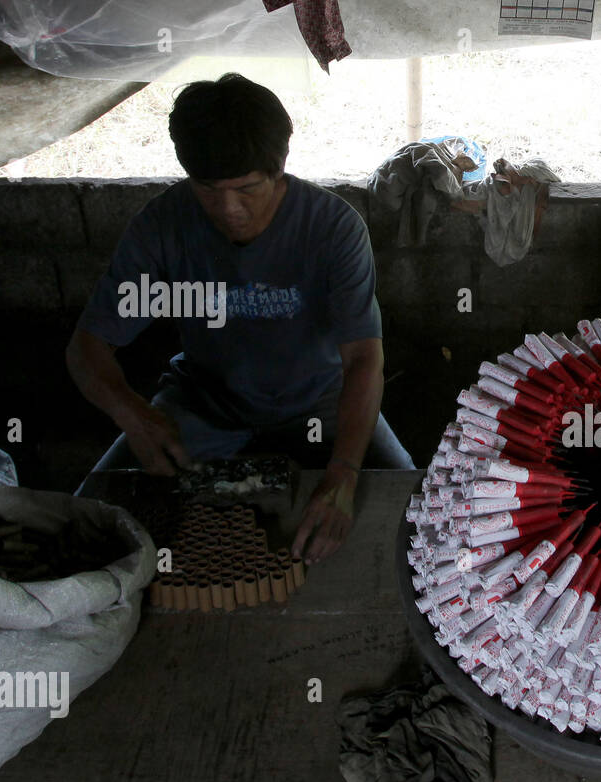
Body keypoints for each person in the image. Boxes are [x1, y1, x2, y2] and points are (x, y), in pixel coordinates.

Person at [66, 73, 415, 565]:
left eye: (247, 188)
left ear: (279, 170)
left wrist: (343, 472)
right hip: (203, 403)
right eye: (208, 190)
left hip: (321, 402)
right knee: (88, 519)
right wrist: (134, 415)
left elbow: (363, 357)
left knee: (411, 517)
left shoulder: (333, 228)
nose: (229, 209)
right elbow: (87, 348)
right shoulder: (163, 225)